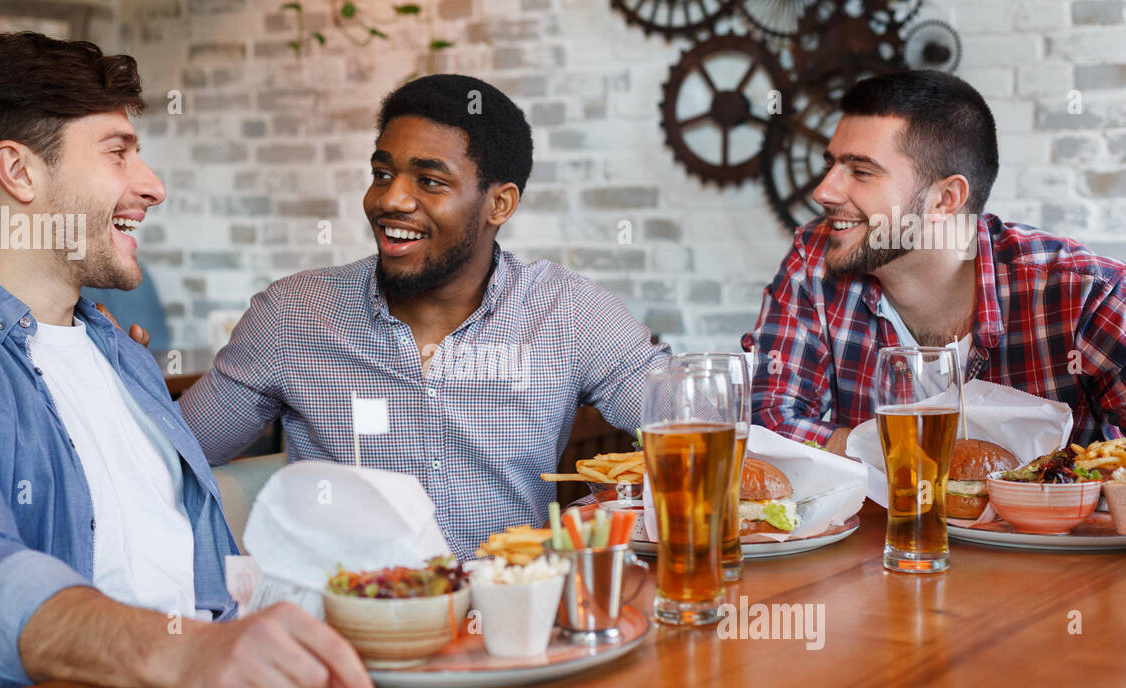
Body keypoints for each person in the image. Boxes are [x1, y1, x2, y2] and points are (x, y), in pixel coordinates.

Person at [0, 32, 374, 688]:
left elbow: (191, 571)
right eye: (117, 152)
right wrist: (189, 656)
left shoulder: (118, 353)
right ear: (19, 173)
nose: (152, 185)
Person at [177, 74, 670, 559]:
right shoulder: (293, 316)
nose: (390, 200)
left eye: (430, 181)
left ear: (499, 203)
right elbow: (169, 455)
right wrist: (118, 373)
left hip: (510, 622)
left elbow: (693, 431)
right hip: (352, 624)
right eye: (382, 174)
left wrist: (598, 520)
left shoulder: (567, 313)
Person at [743, 70, 1126, 455]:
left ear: (945, 199)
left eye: (860, 171)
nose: (823, 190)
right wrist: (908, 452)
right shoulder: (818, 256)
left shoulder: (1087, 293)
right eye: (831, 165)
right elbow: (765, 418)